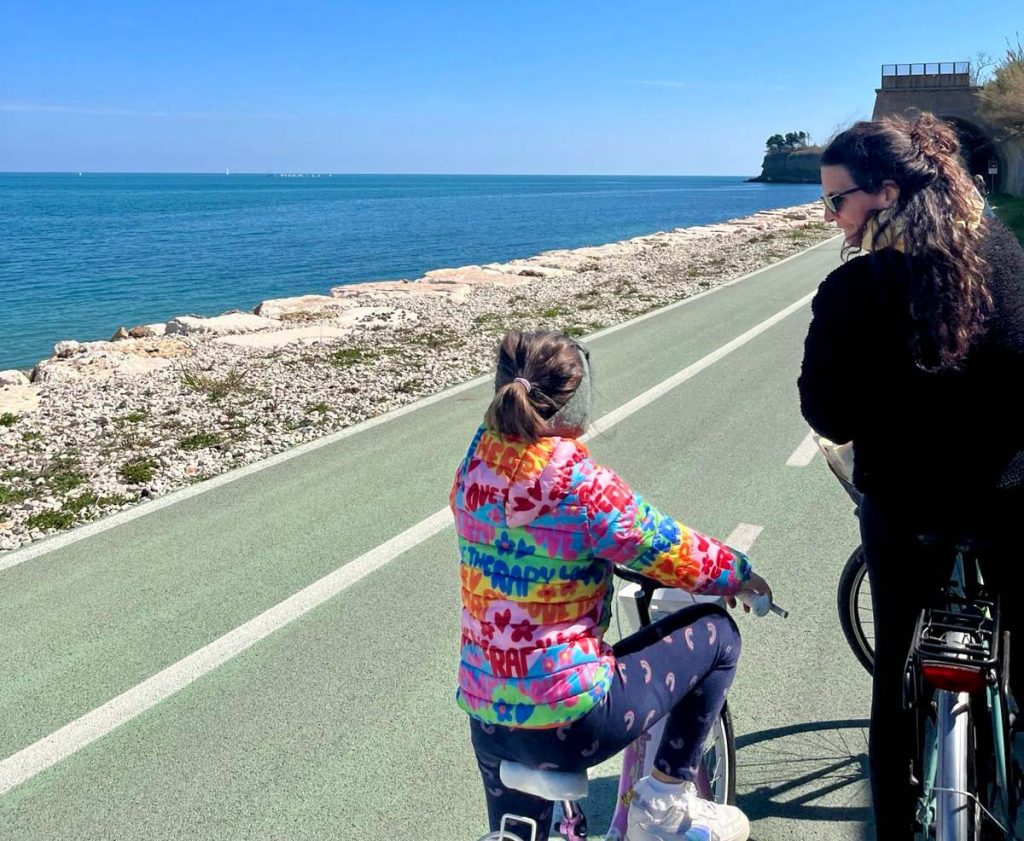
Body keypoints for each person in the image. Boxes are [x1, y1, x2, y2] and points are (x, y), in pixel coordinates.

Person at [798, 114, 1024, 839]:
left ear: (886, 192)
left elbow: (827, 412)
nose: (830, 215)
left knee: (894, 676)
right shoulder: (1006, 257)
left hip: (905, 512)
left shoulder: (853, 289)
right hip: (1010, 502)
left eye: (838, 200)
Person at [453, 328, 772, 841]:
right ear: (574, 407)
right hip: (571, 717)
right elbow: (667, 546)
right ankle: (665, 801)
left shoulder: (474, 465)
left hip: (487, 714)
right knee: (717, 635)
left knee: (516, 835)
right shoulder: (583, 487)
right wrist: (739, 573)